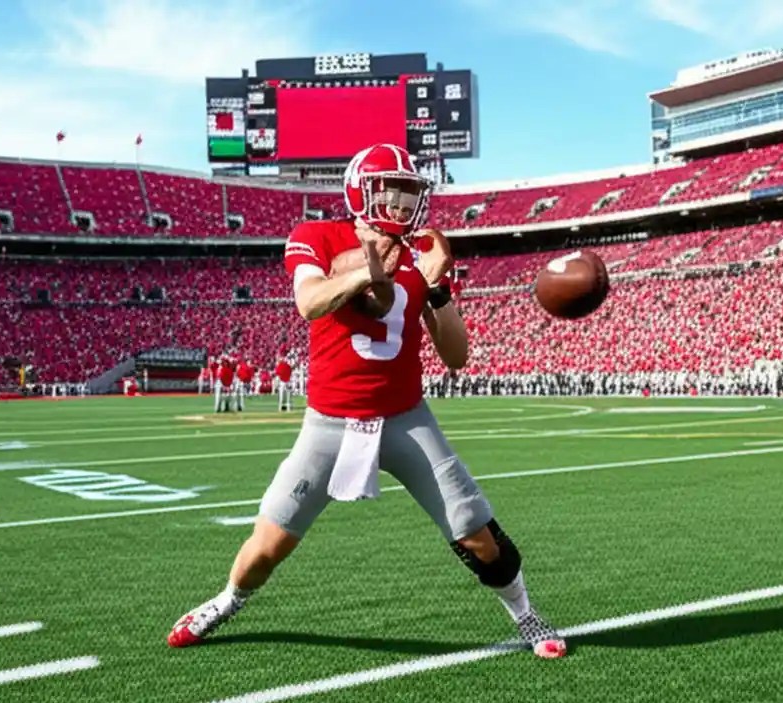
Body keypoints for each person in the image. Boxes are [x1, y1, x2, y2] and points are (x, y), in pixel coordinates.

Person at [167, 143, 566, 659]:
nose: (401, 203)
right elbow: (310, 302)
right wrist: (368, 272)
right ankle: (226, 601)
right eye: (390, 190)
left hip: (405, 418)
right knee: (267, 547)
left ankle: (526, 614)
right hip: (331, 421)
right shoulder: (316, 236)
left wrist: (434, 285)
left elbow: (457, 355)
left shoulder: (424, 252)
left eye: (409, 192)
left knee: (476, 532)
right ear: (359, 190)